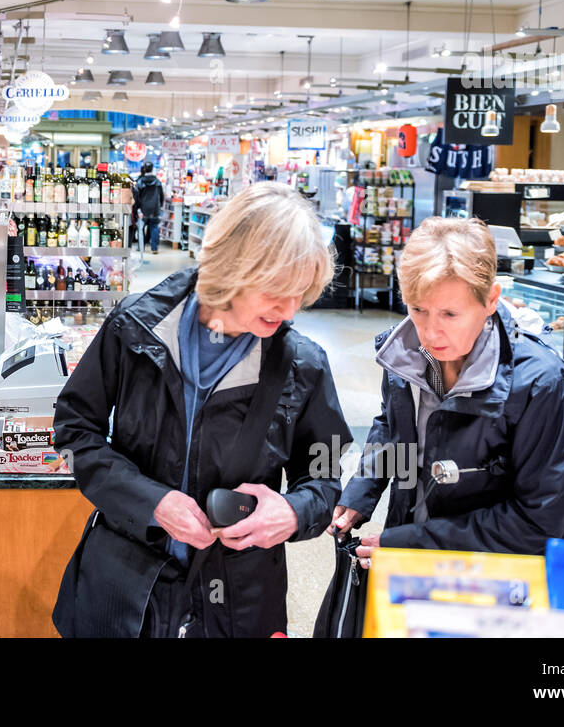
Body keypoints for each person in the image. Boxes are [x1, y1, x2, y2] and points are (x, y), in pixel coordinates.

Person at [53, 183, 352, 637]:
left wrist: (293, 512)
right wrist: (151, 502)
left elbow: (325, 477)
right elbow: (75, 432)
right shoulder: (134, 330)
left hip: (238, 599)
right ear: (234, 264)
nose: (289, 310)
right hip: (127, 589)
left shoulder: (301, 365)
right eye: (276, 290)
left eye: (301, 294)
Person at [331, 216, 564, 565]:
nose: (430, 333)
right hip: (414, 546)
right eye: (418, 310)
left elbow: (537, 521)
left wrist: (413, 544)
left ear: (491, 300)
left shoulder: (542, 385)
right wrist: (364, 488)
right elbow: (394, 426)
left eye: (450, 314)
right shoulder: (406, 356)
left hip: (498, 577)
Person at [133, 162, 164, 253]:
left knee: (141, 227)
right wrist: (160, 204)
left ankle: (141, 246)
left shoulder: (140, 181)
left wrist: (137, 208)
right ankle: (154, 248)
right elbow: (161, 195)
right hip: (155, 208)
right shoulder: (157, 181)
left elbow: (137, 196)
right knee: (154, 227)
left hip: (143, 208)